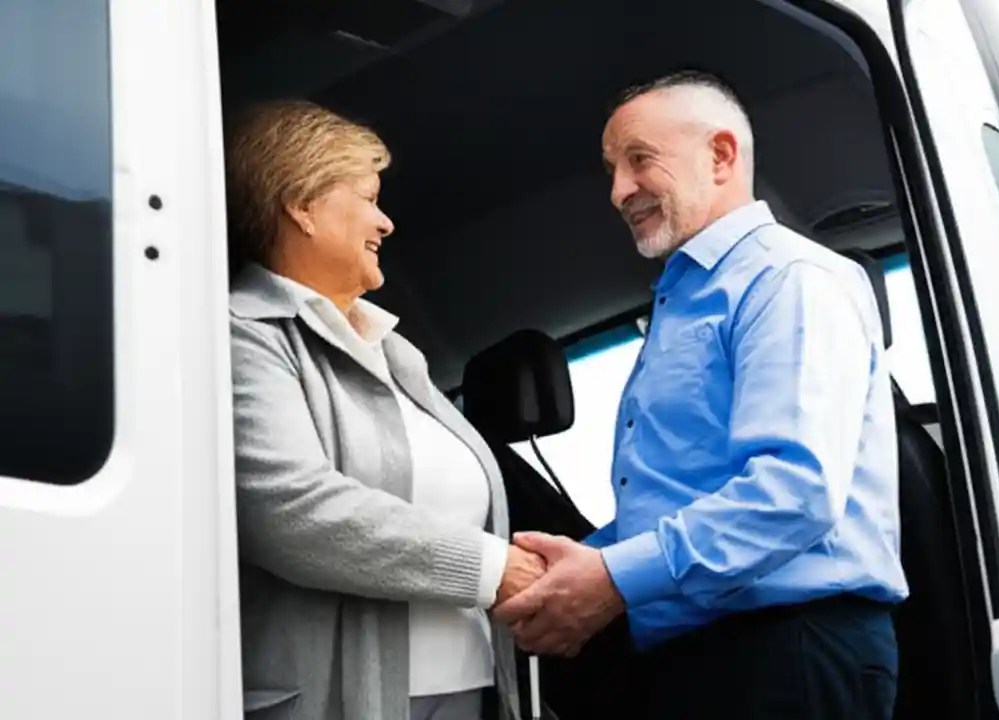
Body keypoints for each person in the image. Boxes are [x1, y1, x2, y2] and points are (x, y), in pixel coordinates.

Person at [496, 71, 907, 719]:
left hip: (787, 653)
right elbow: (682, 503)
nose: (618, 190)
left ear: (721, 155)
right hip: (704, 659)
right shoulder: (684, 302)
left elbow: (793, 491)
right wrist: (578, 570)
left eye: (639, 160)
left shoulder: (786, 279)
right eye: (611, 168)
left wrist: (611, 578)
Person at [226, 99, 542, 720]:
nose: (386, 222)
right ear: (302, 204)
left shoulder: (393, 349)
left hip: (469, 690)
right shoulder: (244, 331)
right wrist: (494, 567)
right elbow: (289, 508)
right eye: (368, 197)